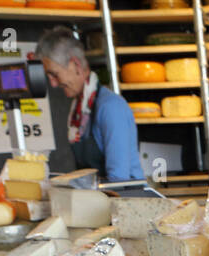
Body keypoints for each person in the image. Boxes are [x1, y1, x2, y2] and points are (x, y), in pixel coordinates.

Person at [37, 26, 144, 183]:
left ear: (75, 65)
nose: (52, 84)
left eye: (54, 74)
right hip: (99, 199)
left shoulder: (110, 107)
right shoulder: (79, 109)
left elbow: (119, 180)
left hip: (127, 200)